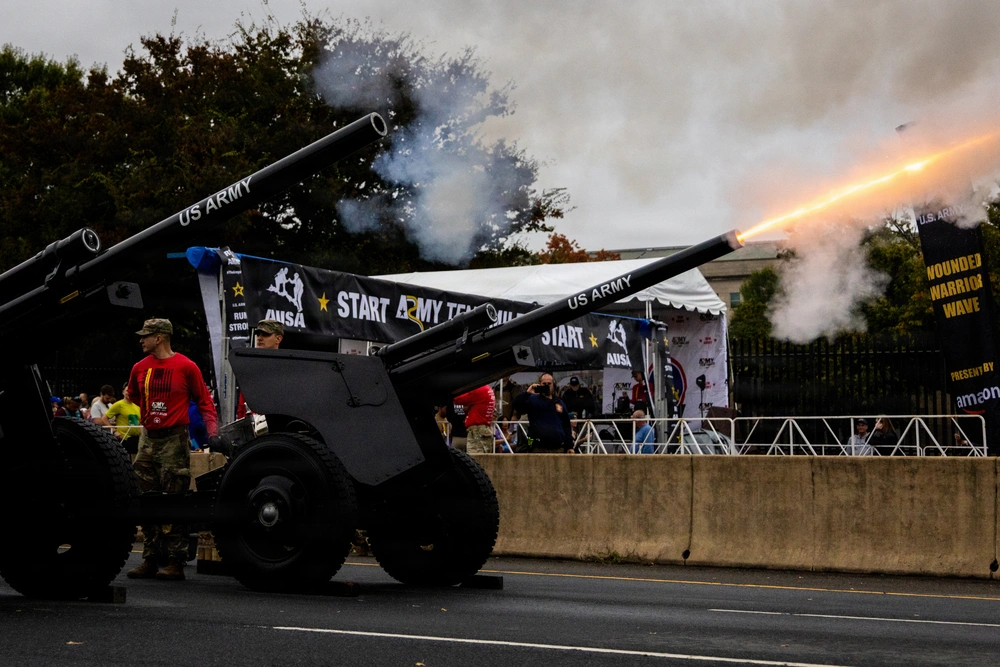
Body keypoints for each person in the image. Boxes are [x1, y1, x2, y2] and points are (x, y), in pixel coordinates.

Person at [126, 318, 219, 582]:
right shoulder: (139, 368)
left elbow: (204, 401)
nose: (141, 339)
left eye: (146, 335)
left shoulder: (186, 367)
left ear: (160, 338)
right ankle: (150, 559)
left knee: (175, 498)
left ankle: (175, 561)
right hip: (148, 439)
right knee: (146, 499)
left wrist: (212, 432)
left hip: (174, 439)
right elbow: (132, 395)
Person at [512, 372, 574, 453]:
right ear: (539, 384)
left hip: (558, 447)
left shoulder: (559, 402)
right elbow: (516, 405)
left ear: (553, 385)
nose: (547, 386)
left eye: (549, 383)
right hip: (538, 447)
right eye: (544, 383)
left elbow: (566, 425)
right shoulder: (532, 399)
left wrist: (569, 446)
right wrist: (527, 393)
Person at [236, 319, 284, 419]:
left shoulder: (285, 368)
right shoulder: (250, 367)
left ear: (278, 339)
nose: (260, 338)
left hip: (276, 426)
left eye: (265, 334)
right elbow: (242, 404)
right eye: (258, 334)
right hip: (253, 426)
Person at [454, 385, 496, 455]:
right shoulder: (487, 388)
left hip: (477, 430)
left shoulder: (479, 389)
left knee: (475, 457)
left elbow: (458, 399)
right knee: (481, 458)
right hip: (482, 429)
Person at [105, 383, 141, 456]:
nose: (129, 392)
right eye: (127, 390)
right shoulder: (118, 404)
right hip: (125, 438)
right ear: (123, 392)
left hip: (137, 438)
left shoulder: (137, 406)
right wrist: (114, 431)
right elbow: (104, 418)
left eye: (131, 391)